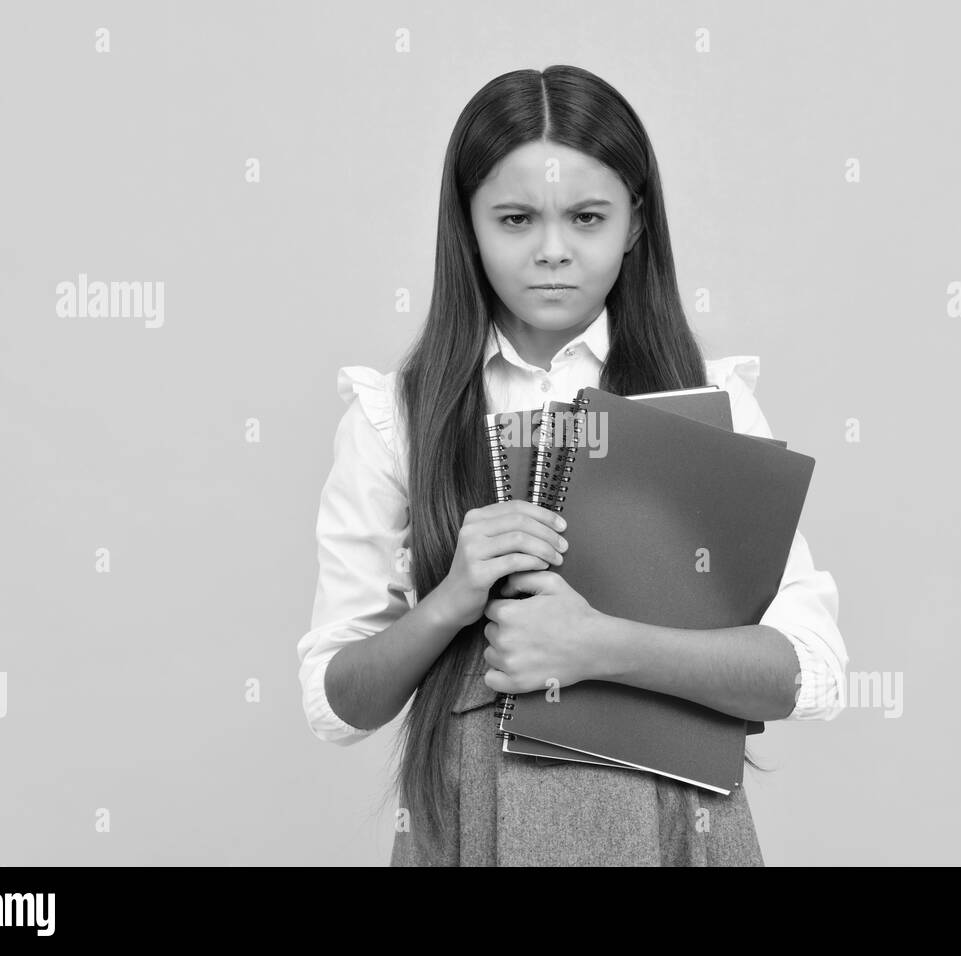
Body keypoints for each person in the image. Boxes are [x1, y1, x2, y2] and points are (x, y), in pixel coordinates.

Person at [297, 65, 848, 866]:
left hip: (670, 824)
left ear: (634, 223)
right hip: (470, 817)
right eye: (516, 219)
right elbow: (338, 703)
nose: (552, 251)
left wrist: (598, 645)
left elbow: (810, 673)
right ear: (467, 224)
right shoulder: (397, 418)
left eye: (587, 217)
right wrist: (452, 598)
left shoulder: (711, 402)